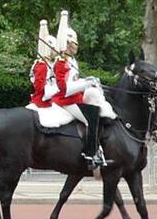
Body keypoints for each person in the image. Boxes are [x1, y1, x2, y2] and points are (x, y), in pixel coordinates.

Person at [52, 11, 113, 170]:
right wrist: (85, 84)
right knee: (91, 117)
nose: (75, 47)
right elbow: (64, 89)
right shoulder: (60, 63)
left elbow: (74, 81)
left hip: (75, 98)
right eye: (73, 44)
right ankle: (89, 154)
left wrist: (90, 81)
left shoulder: (71, 61)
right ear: (66, 44)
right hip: (65, 100)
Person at [29, 19, 59, 108]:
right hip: (43, 102)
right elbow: (39, 87)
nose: (56, 52)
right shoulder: (42, 65)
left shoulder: (51, 63)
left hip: (52, 99)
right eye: (54, 49)